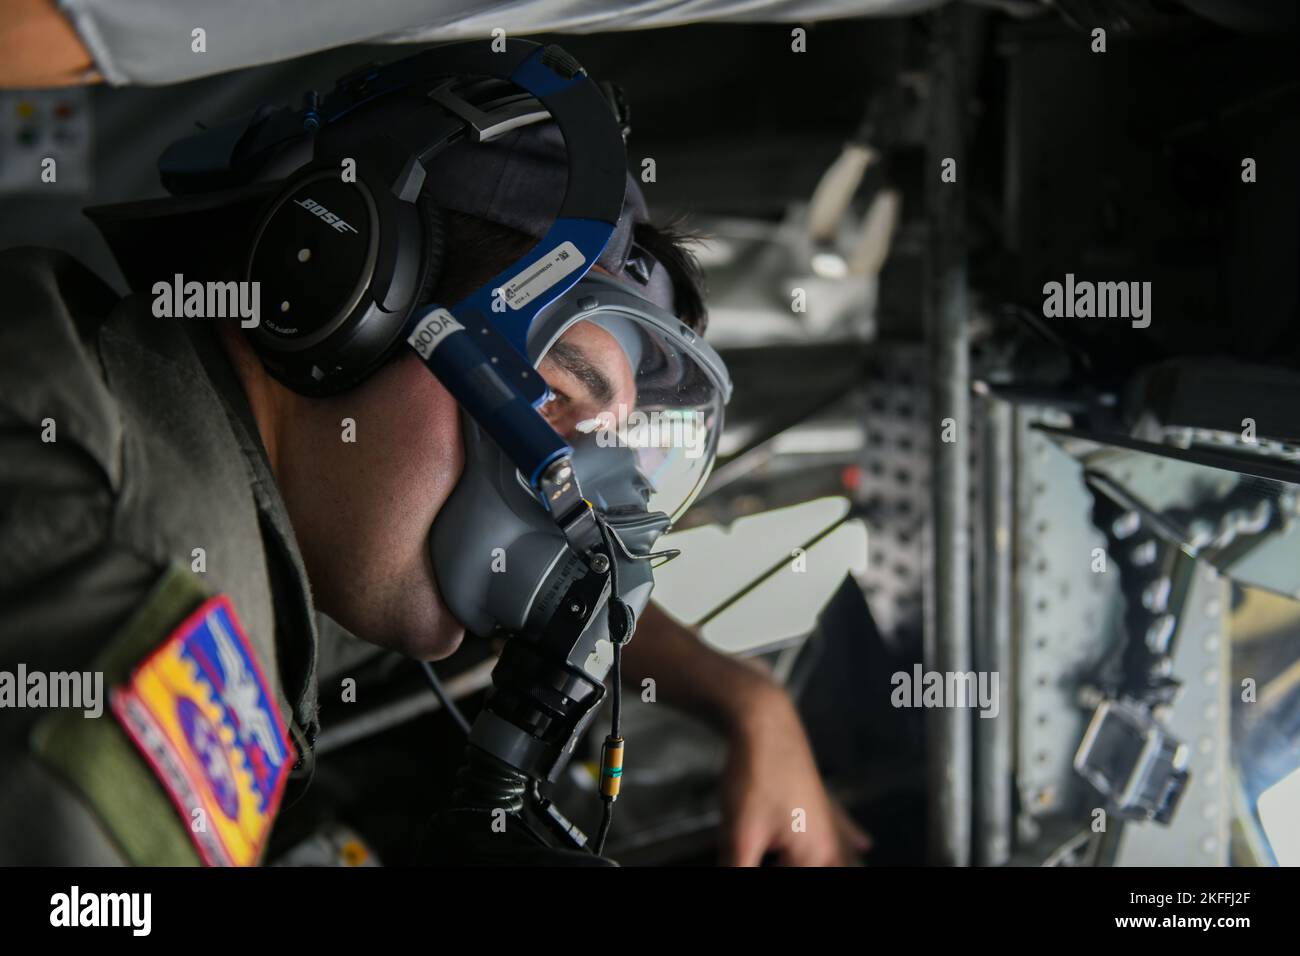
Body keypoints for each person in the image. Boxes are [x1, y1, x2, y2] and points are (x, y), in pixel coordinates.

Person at [0, 49, 866, 868]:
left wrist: (745, 698)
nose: (580, 508)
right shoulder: (145, 585)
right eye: (562, 396)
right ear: (348, 293)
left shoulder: (282, 509)